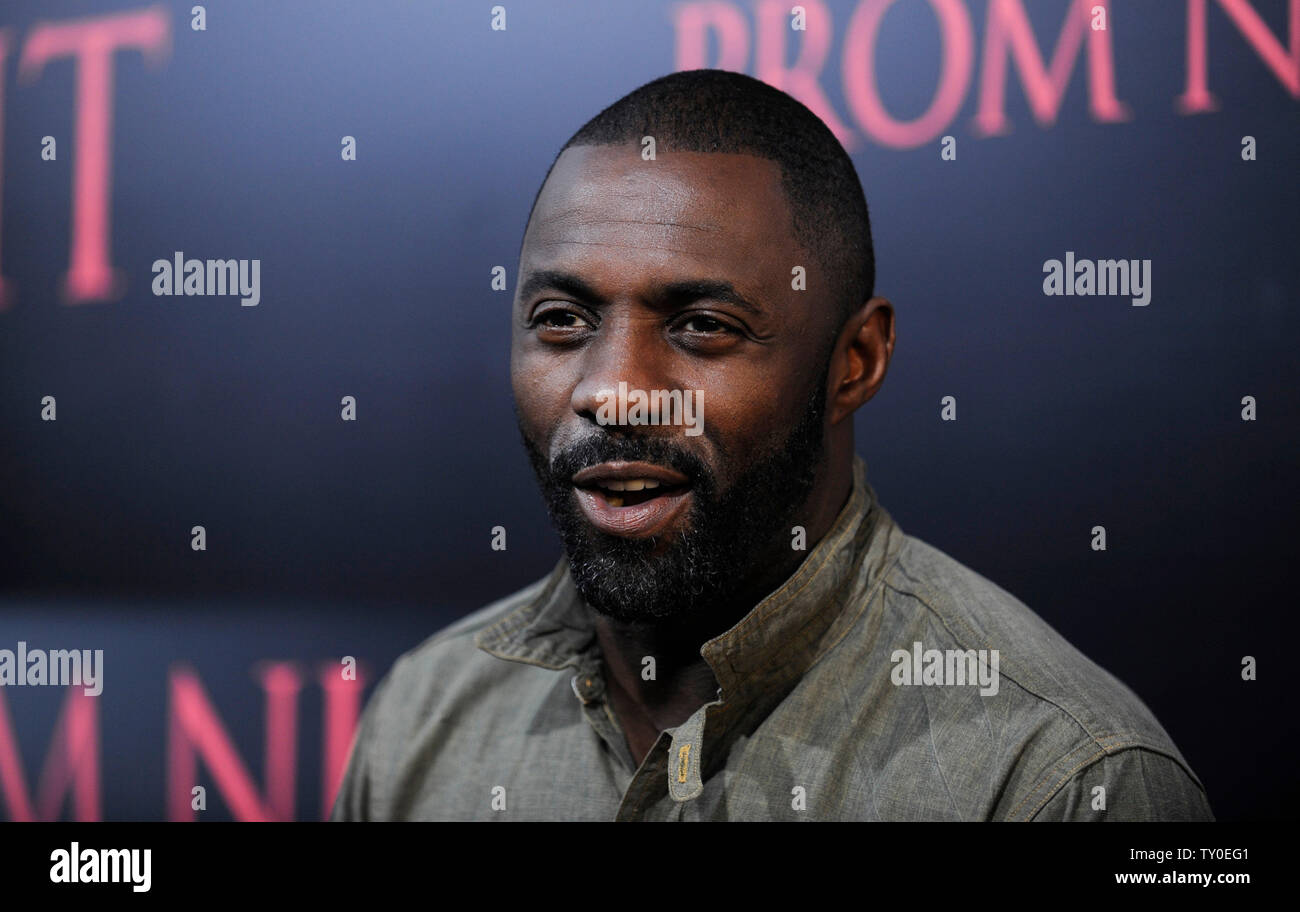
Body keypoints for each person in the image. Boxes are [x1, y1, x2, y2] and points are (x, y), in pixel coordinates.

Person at [332, 69, 1213, 821]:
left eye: (702, 326)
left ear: (854, 362)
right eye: (561, 321)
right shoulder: (422, 721)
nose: (613, 391)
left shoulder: (1062, 779)